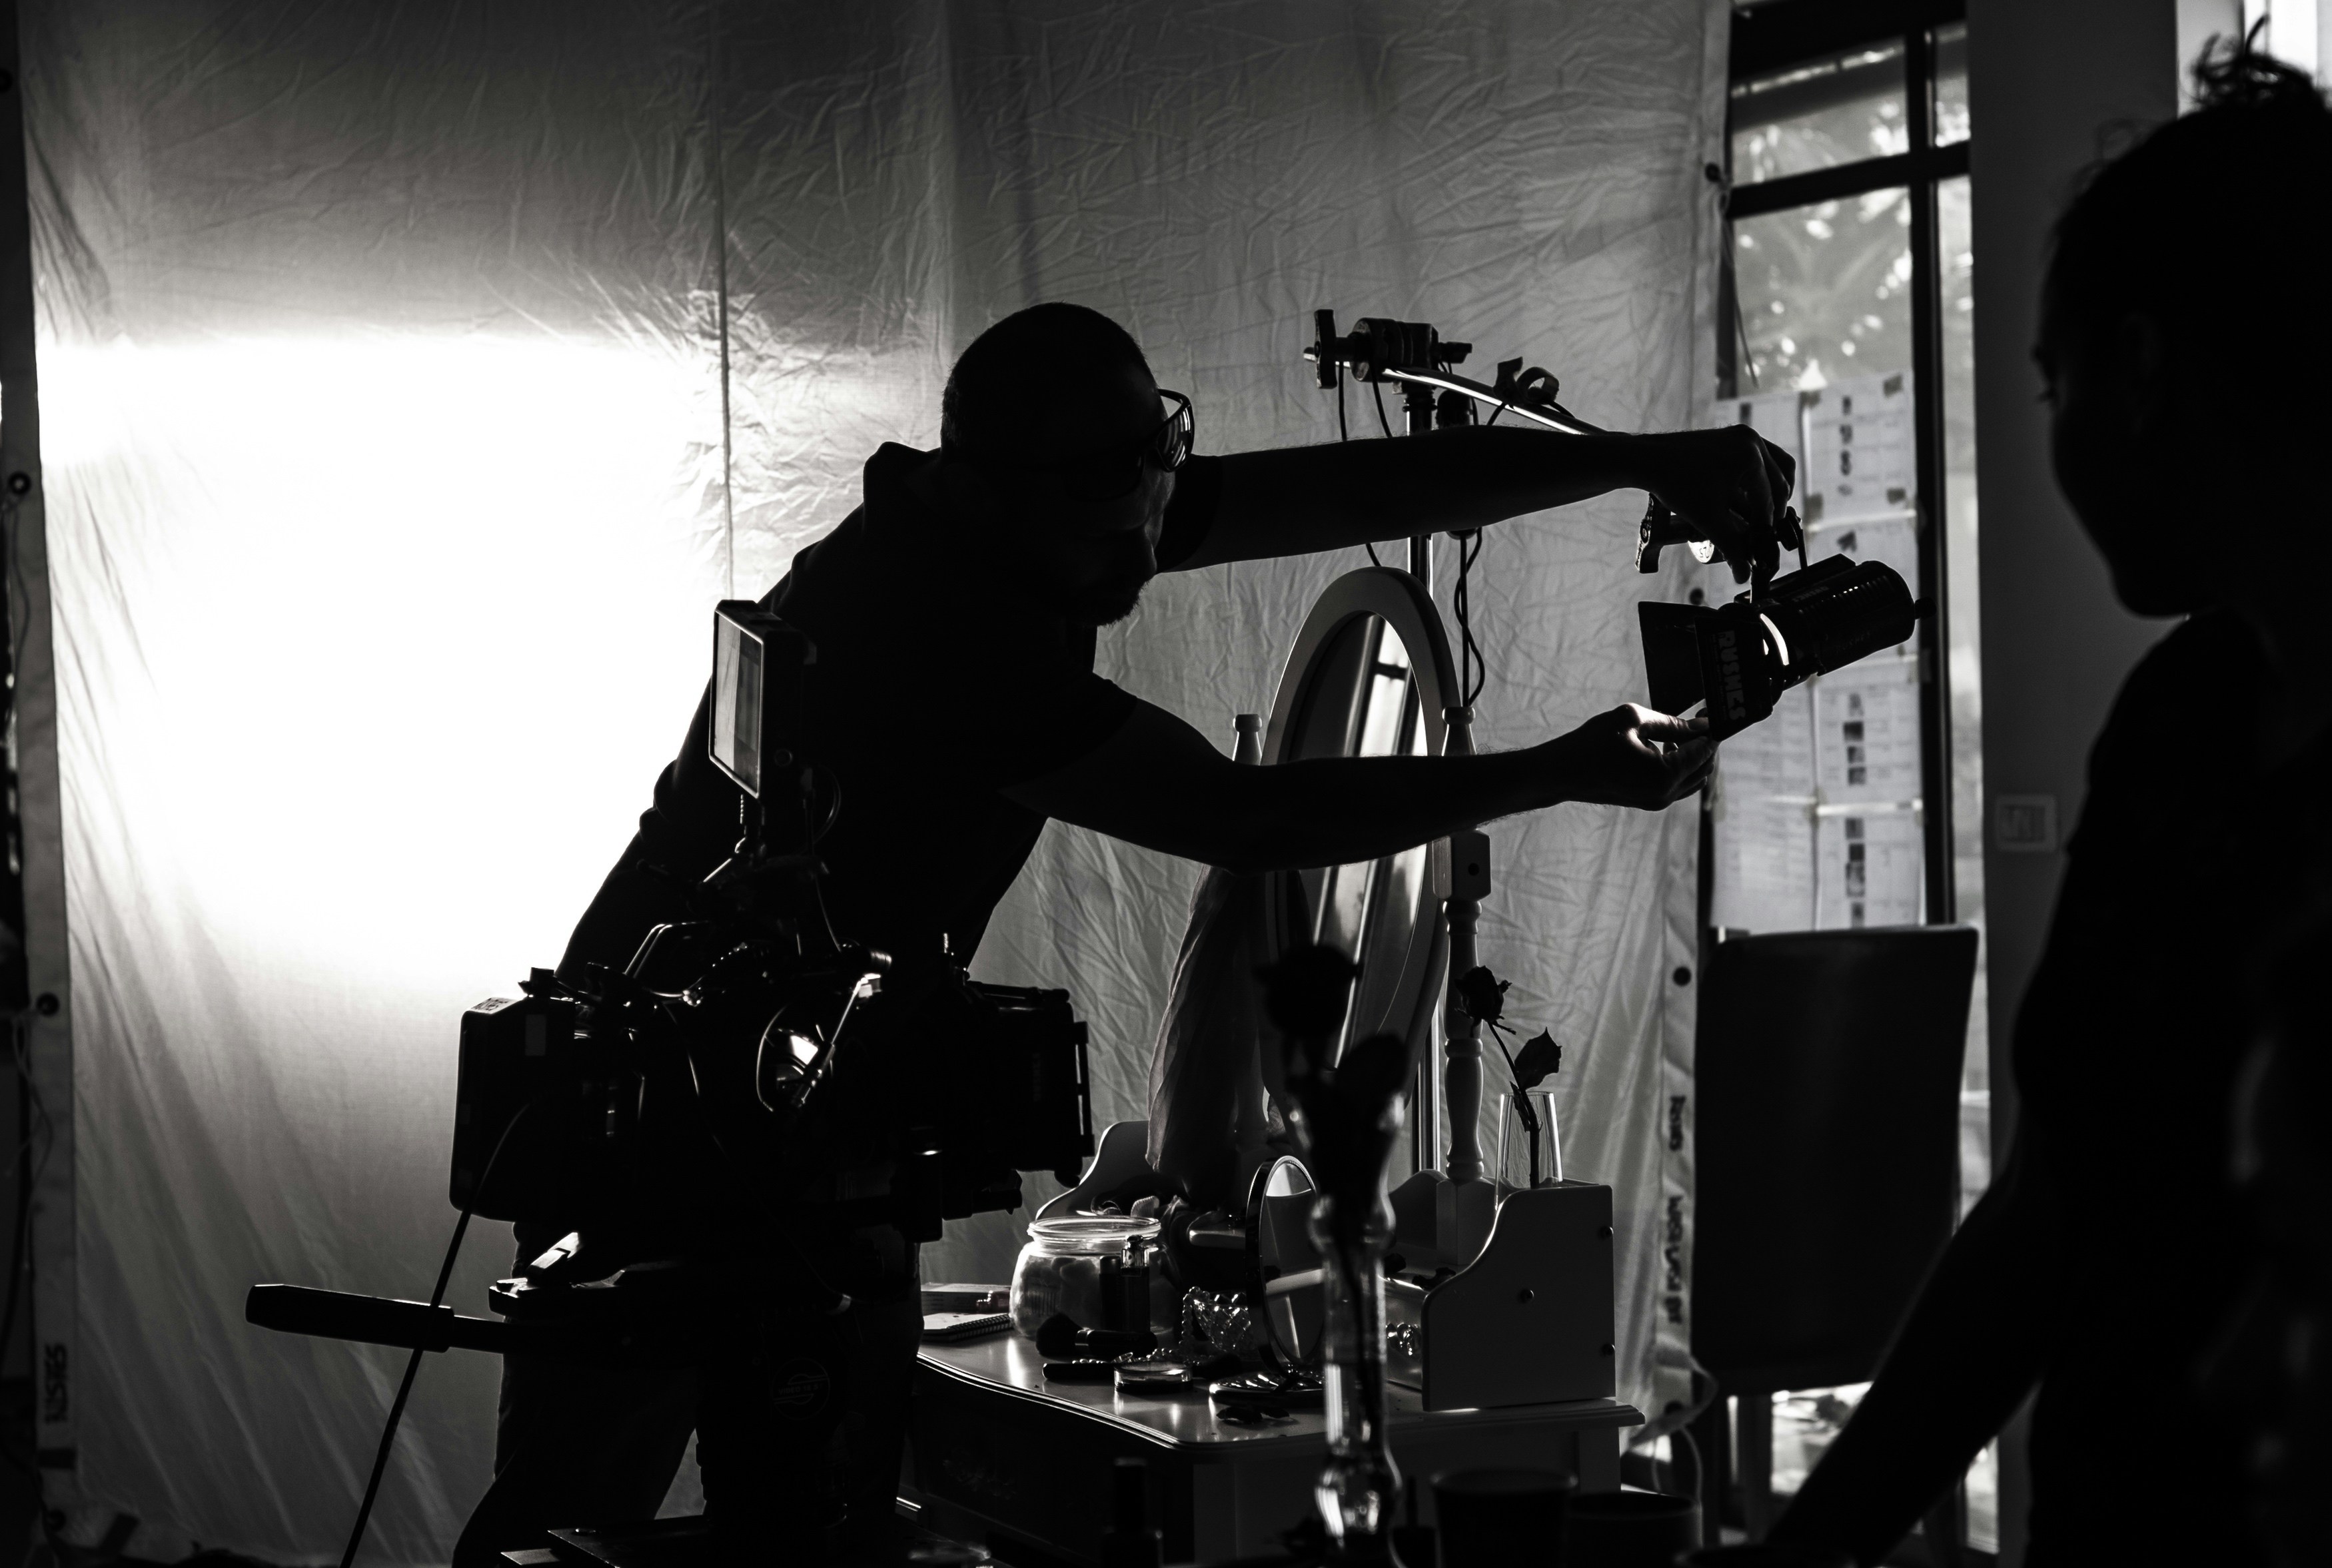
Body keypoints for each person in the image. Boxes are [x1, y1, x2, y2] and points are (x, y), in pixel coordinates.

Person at [452, 300, 1794, 1564]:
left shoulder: (1046, 504)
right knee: (577, 1516)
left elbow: (1350, 493)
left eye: (1159, 491)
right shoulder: (934, 625)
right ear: (992, 488)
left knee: (825, 1517)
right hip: (662, 1119)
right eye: (1112, 529)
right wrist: (1556, 767)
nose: (1145, 549)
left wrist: (1634, 460)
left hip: (819, 1108)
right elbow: (1242, 815)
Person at [1768, 39, 2332, 1567]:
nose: (2054, 430)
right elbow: (2053, 1204)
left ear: (2139, 372)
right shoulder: (2181, 717)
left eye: (2051, 381)